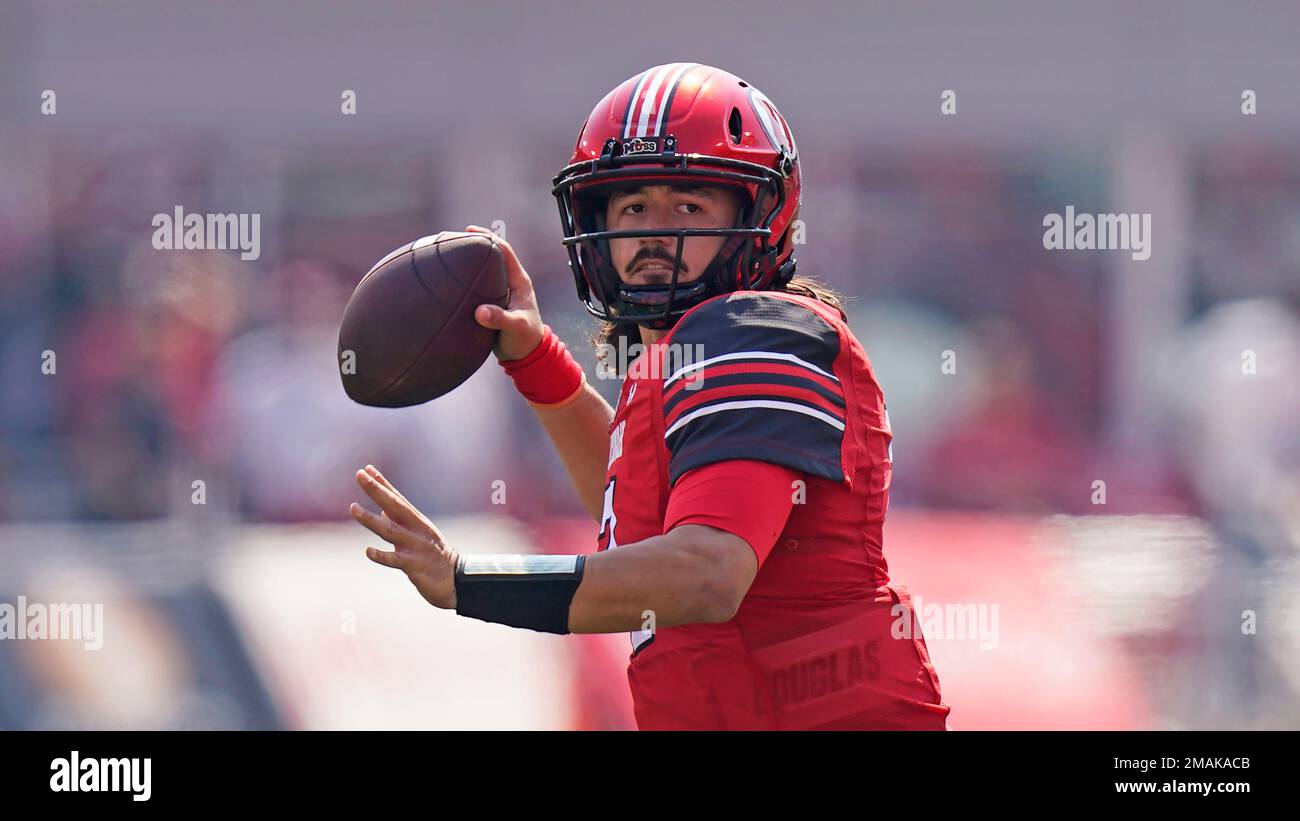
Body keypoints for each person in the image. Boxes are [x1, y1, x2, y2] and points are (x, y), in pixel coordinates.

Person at [350, 63, 949, 730]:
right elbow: (637, 515)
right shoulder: (684, 354)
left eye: (689, 205)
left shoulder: (755, 332)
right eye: (633, 206)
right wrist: (534, 358)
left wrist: (467, 579)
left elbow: (706, 572)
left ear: (759, 216)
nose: (655, 232)